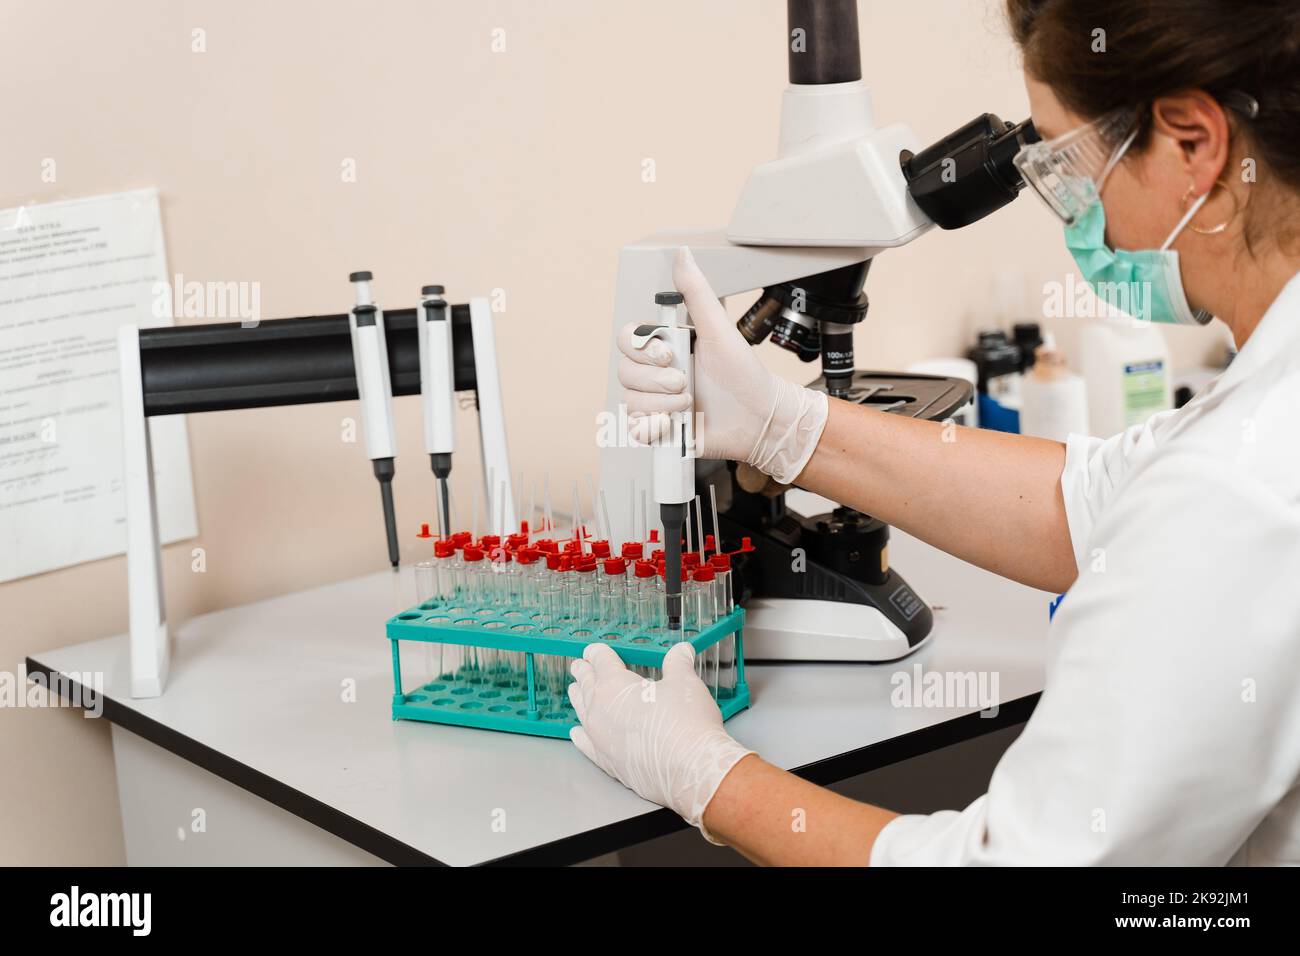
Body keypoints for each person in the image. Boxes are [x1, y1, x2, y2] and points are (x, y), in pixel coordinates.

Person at [567, 0, 1300, 865]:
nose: (1071, 211)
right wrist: (782, 425)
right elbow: (1088, 504)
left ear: (1191, 142)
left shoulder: (1238, 486)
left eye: (1069, 162)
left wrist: (700, 774)